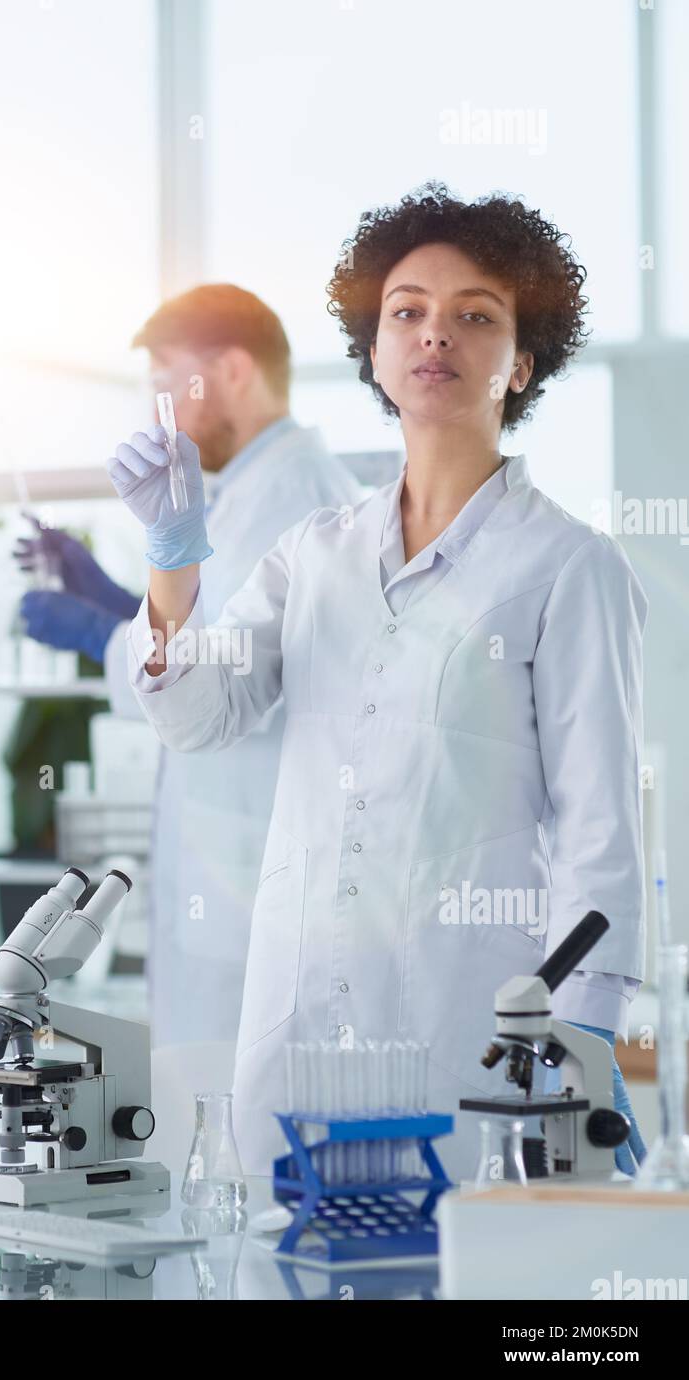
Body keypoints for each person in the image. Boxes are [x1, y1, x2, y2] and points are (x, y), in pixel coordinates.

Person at [104, 183, 648, 1181]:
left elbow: (599, 831)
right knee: (286, 1259)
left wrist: (584, 1034)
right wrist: (172, 558)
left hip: (474, 1031)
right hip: (300, 1026)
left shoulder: (568, 567)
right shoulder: (313, 553)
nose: (433, 333)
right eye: (406, 311)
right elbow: (200, 714)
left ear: (521, 361)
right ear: (373, 351)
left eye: (473, 315)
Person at [16, 286, 362, 1047]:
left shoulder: (294, 496)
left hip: (251, 883)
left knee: (229, 1125)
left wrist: (96, 633)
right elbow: (210, 634)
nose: (158, 410)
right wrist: (114, 603)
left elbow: (219, 679)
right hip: (226, 866)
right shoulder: (253, 489)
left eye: (169, 381)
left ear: (233, 371)